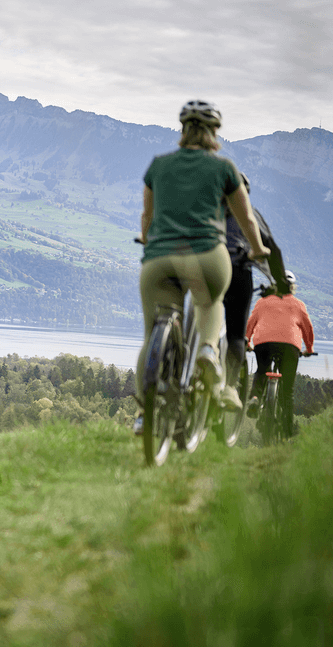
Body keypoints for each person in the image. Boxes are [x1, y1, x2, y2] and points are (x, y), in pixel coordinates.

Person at [134, 100, 270, 433]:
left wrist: (147, 239)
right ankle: (208, 351)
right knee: (211, 303)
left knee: (153, 334)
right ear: (214, 133)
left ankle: (144, 415)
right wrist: (257, 250)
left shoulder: (158, 165)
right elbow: (247, 219)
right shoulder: (225, 169)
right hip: (208, 255)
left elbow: (147, 217)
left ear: (182, 130)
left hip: (160, 259)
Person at [222, 173, 290, 406]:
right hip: (237, 270)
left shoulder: (208, 208)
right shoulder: (249, 215)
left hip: (202, 267)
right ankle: (229, 388)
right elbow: (272, 248)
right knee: (235, 334)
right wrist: (281, 284)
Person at [245, 270, 314, 437]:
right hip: (290, 347)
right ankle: (288, 431)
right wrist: (309, 349)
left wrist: (247, 341)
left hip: (263, 344)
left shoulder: (262, 302)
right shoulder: (298, 305)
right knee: (287, 390)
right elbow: (308, 329)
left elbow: (250, 323)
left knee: (261, 372)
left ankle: (254, 398)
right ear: (292, 287)